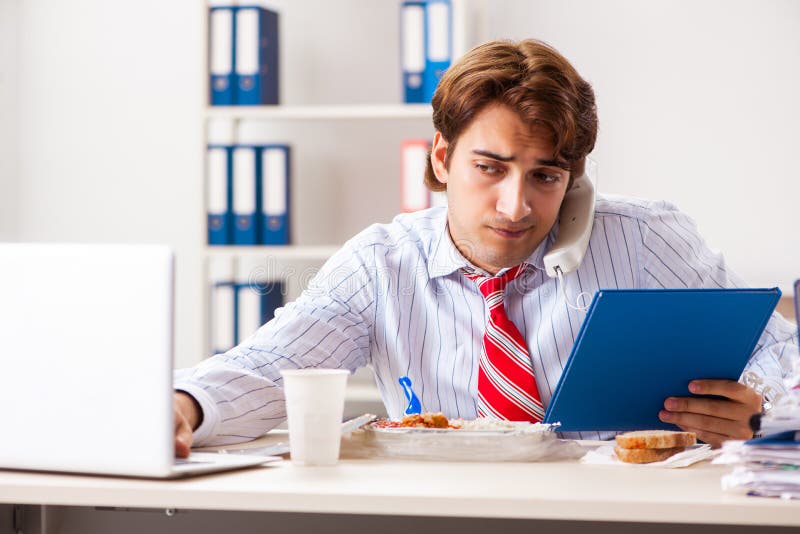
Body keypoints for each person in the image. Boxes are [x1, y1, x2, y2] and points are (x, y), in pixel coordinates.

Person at [173, 39, 799, 457]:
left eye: (545, 176)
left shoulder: (639, 238)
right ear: (442, 158)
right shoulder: (381, 263)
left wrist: (759, 411)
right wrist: (185, 406)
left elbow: (780, 351)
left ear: (573, 178)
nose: (516, 205)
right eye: (490, 168)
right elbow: (272, 367)